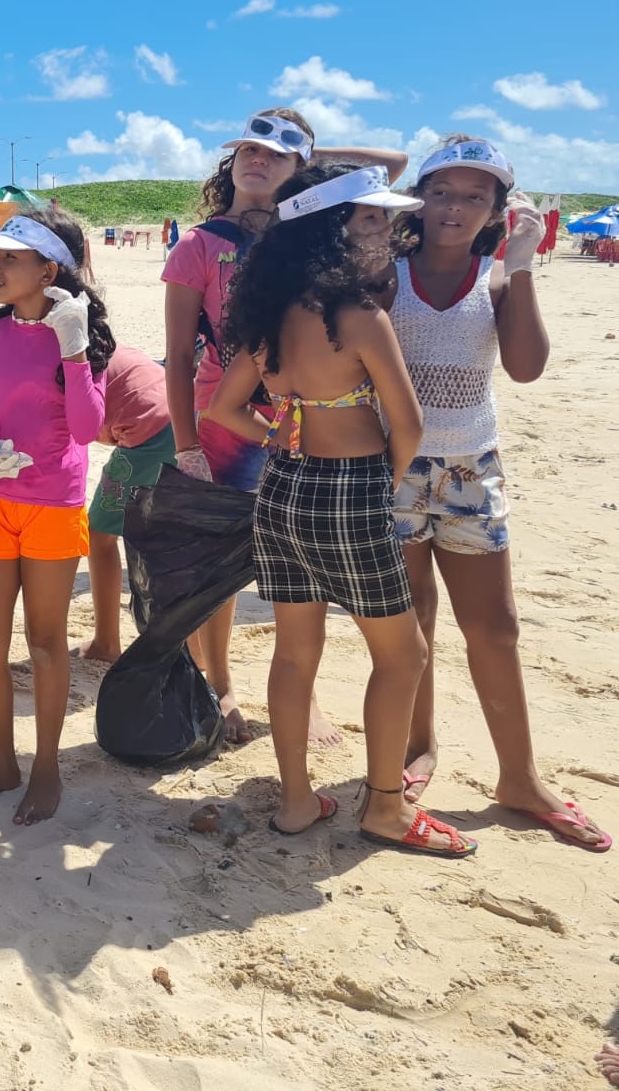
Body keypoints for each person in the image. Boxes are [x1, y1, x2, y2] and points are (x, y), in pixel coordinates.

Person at [207, 163, 475, 856]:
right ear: (334, 230)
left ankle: (297, 801)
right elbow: (407, 423)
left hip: (283, 486)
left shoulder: (269, 315)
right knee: (404, 652)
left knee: (296, 653)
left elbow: (222, 408)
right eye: (371, 219)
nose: (387, 231)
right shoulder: (358, 315)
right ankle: (386, 808)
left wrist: (281, 432)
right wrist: (381, 482)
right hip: (349, 487)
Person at [382, 138, 609, 852]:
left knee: (496, 625)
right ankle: (420, 746)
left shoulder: (496, 280)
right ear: (418, 200)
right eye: (441, 191)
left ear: (494, 212)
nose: (454, 207)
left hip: (471, 471)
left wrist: (520, 267)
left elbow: (527, 367)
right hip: (392, 471)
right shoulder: (385, 276)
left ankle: (519, 777)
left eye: (474, 196)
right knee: (414, 617)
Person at [162, 108, 409, 747]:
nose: (259, 159)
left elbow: (393, 167)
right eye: (249, 147)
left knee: (301, 570)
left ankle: (307, 699)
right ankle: (222, 684)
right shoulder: (198, 244)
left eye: (278, 154)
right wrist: (186, 445)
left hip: (315, 425)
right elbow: (180, 355)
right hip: (229, 420)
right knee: (224, 563)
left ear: (303, 171)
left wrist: (312, 157)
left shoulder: (316, 229)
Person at [0, 210, 112, 823]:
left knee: (45, 642)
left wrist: (72, 347)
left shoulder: (76, 334)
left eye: (8, 259)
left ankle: (46, 767)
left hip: (55, 508)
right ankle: (2, 763)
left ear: (49, 270)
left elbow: (90, 429)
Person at [79, 342, 177, 662]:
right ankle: (195, 649)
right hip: (186, 419)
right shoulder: (107, 345)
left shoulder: (69, 360)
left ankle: (106, 643)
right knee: (173, 539)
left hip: (149, 434)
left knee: (98, 534)